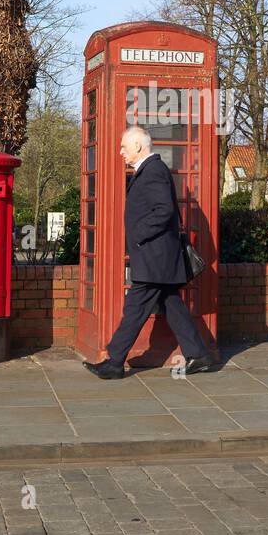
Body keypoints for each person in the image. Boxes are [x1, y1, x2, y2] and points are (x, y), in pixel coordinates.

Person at [83, 126, 216, 379]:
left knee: (134, 308)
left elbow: (164, 210)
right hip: (158, 258)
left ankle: (113, 362)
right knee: (172, 305)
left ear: (138, 146)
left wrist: (138, 234)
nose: (121, 151)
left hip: (154, 258)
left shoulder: (153, 170)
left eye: (124, 146)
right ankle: (199, 355)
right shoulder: (149, 170)